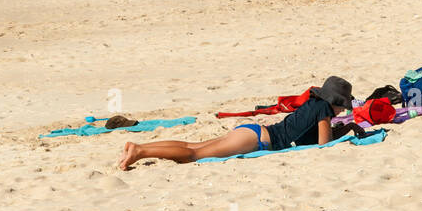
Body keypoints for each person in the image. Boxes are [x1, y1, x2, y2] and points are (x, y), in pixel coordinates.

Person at [118, 77, 356, 170]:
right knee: (193, 154)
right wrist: (345, 134)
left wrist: (346, 128)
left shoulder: (314, 104)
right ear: (334, 102)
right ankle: (140, 151)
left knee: (192, 145)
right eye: (342, 106)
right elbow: (324, 144)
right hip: (258, 140)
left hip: (252, 132)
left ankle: (137, 146)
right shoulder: (324, 111)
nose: (341, 110)